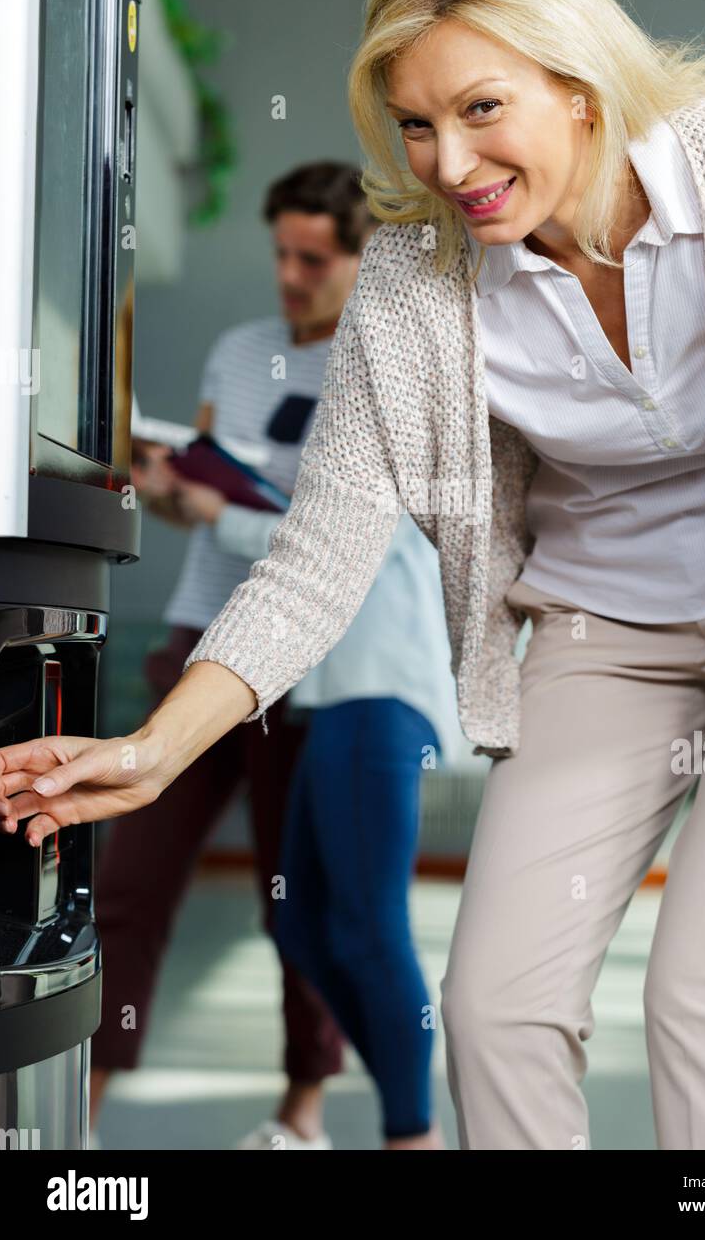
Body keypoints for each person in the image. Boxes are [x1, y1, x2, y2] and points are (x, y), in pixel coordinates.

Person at [0, 0, 705, 1151]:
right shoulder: (416, 278)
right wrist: (151, 748)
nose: (449, 162)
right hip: (594, 630)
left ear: (576, 85)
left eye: (480, 109)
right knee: (492, 1008)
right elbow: (317, 555)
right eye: (415, 122)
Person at [89, 161, 379, 1151]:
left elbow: (352, 533)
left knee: (291, 902)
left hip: (298, 670)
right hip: (194, 646)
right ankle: (76, 1114)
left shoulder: (371, 363)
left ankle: (301, 1111)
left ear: (360, 255)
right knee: (127, 886)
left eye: (313, 257)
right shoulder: (237, 348)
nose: (289, 275)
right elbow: (196, 504)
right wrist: (163, 483)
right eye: (279, 252)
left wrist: (229, 507)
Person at [168, 481, 462, 1149]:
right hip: (335, 699)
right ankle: (407, 1111)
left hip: (379, 693)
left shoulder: (392, 418)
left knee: (371, 930)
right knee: (301, 924)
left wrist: (218, 512)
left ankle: (414, 1135)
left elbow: (324, 544)